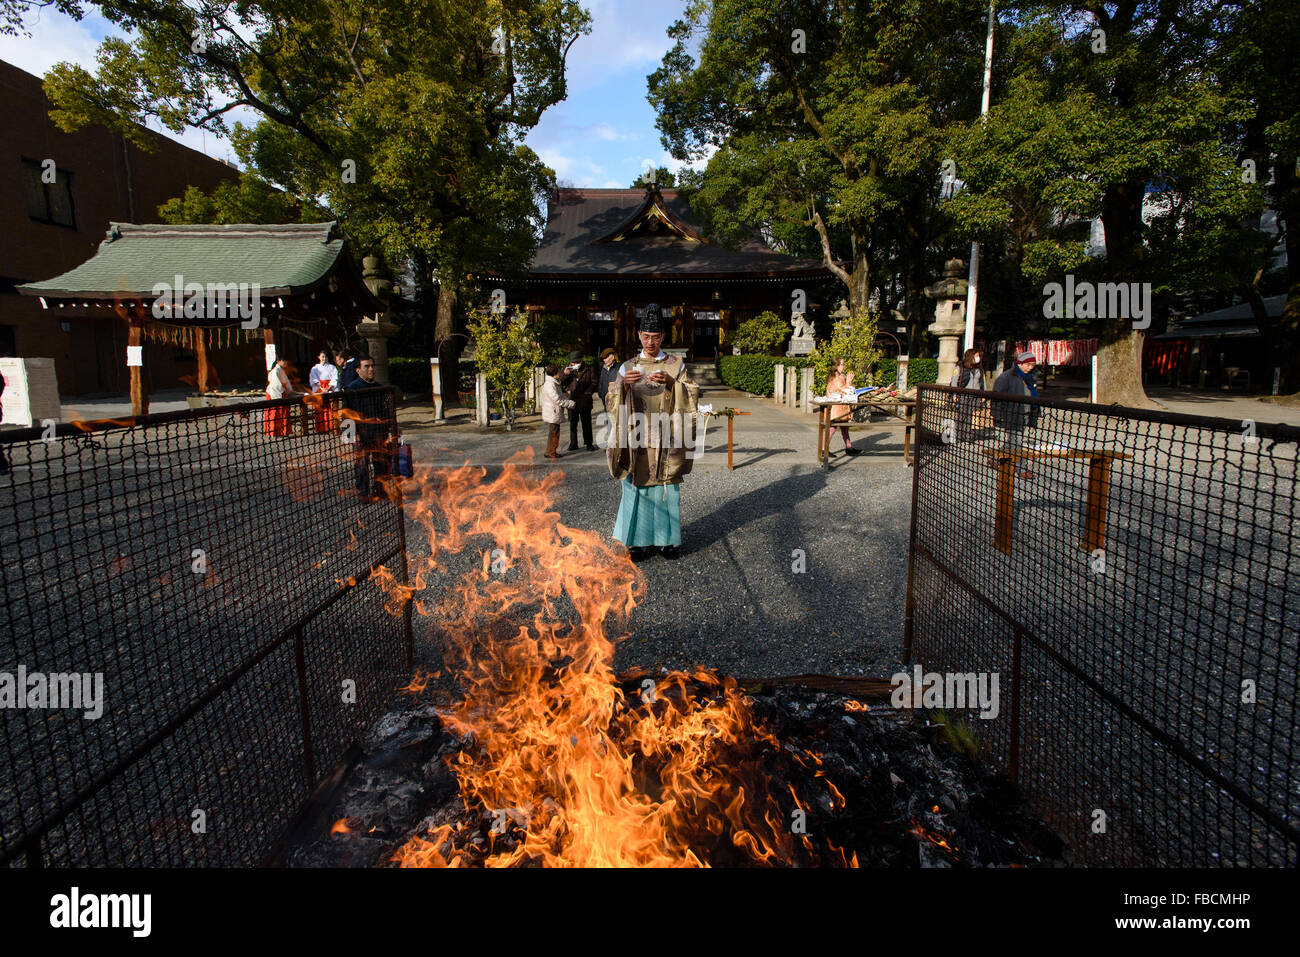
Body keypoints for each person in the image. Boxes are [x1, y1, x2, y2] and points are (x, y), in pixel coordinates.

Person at [605, 304, 700, 560]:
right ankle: (636, 542)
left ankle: (668, 541)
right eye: (646, 336)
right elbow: (611, 402)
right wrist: (623, 386)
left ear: (663, 338)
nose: (650, 342)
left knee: (665, 489)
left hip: (667, 435)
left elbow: (692, 395)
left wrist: (672, 384)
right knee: (638, 487)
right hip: (636, 437)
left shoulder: (676, 365)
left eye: (655, 337)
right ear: (638, 335)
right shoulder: (627, 367)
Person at [343, 355, 400, 501]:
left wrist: (391, 430)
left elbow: (386, 411)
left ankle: (380, 490)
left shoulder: (380, 388)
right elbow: (346, 413)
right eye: (366, 366)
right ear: (358, 370)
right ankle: (363, 493)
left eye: (372, 366)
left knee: (380, 462)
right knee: (362, 465)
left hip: (378, 432)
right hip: (360, 433)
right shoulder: (352, 389)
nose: (371, 369)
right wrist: (351, 434)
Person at [991, 350, 1041, 477]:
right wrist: (998, 414)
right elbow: (997, 396)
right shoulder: (1006, 377)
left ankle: (996, 457)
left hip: (1025, 413)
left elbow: (1033, 394)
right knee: (1017, 441)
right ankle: (1021, 468)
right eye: (1028, 364)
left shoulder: (1030, 378)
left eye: (1032, 365)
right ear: (1020, 363)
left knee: (1013, 441)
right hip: (1011, 413)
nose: (1030, 368)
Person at [560, 349, 598, 452]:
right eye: (573, 362)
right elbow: (560, 382)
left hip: (585, 400)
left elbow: (594, 382)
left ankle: (589, 443)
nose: (575, 364)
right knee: (573, 423)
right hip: (572, 400)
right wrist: (565, 374)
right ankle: (573, 443)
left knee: (586, 423)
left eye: (577, 362)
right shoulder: (567, 369)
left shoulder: (589, 369)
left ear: (581, 360)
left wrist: (588, 392)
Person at [825, 357, 861, 456]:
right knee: (833, 428)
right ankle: (824, 449)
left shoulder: (838, 376)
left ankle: (849, 447)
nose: (844, 366)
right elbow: (845, 390)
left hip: (840, 406)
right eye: (842, 364)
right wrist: (849, 381)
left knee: (844, 428)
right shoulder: (836, 378)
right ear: (836, 366)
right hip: (837, 407)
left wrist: (848, 380)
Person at [540, 363, 575, 460]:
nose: (560, 373)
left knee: (554, 432)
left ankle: (550, 451)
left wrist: (567, 399)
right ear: (554, 373)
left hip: (553, 411)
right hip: (553, 412)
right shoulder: (550, 385)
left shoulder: (554, 382)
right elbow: (557, 400)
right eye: (559, 371)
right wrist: (570, 404)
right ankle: (551, 452)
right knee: (554, 433)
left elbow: (560, 396)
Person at [950, 348, 987, 433]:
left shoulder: (980, 369)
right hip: (963, 395)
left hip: (975, 396)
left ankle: (967, 434)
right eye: (977, 356)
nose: (979, 358)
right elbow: (954, 382)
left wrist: (984, 395)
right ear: (971, 356)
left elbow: (983, 382)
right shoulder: (960, 368)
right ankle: (958, 433)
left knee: (970, 415)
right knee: (962, 415)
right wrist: (955, 395)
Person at [263, 358, 296, 437]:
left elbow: (287, 383)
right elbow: (276, 385)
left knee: (284, 413)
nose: (285, 362)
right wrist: (284, 391)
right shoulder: (275, 371)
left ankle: (283, 431)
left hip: (282, 392)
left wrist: (289, 390)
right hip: (275, 393)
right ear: (278, 361)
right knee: (275, 412)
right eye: (283, 360)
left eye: (286, 360)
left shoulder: (281, 371)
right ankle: (275, 432)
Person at [309, 349, 339, 433]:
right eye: (322, 356)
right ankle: (320, 428)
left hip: (328, 387)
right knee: (319, 409)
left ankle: (329, 427)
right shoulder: (315, 368)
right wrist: (321, 387)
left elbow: (334, 378)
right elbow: (313, 379)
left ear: (328, 358)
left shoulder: (332, 367)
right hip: (319, 388)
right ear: (319, 357)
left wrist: (329, 387)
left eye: (325, 357)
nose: (324, 358)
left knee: (328, 409)